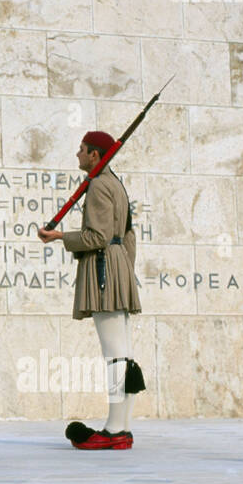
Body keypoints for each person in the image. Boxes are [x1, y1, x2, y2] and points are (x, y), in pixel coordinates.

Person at [37, 131, 144, 449]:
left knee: (114, 356)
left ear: (95, 155)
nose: (77, 154)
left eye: (82, 150)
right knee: (123, 355)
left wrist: (58, 237)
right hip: (118, 266)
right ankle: (122, 427)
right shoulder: (116, 184)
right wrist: (125, 270)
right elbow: (128, 236)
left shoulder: (98, 185)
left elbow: (96, 237)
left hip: (102, 270)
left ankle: (113, 430)